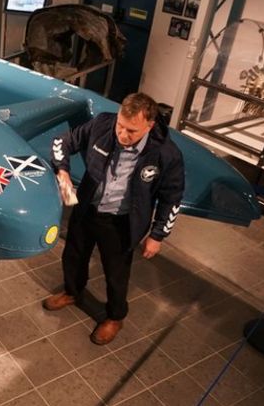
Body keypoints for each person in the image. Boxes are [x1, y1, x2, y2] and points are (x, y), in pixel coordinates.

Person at [43, 92, 184, 345]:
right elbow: (62, 141)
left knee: (116, 273)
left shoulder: (166, 153)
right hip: (87, 207)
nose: (122, 134)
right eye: (120, 125)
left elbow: (172, 197)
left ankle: (115, 316)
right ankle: (73, 291)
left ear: (149, 126)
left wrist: (158, 234)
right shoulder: (102, 125)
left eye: (131, 130)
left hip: (122, 221)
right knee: (74, 255)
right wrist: (62, 171)